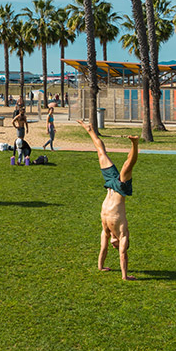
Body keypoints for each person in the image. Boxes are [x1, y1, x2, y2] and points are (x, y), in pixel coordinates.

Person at [78, 120, 138, 281]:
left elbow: (102, 248)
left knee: (102, 155)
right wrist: (125, 276)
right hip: (120, 189)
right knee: (127, 166)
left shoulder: (106, 231)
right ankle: (134, 143)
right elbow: (123, 255)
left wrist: (100, 266)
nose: (113, 245)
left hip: (111, 186)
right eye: (116, 246)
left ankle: (91, 130)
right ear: (120, 243)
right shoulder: (122, 233)